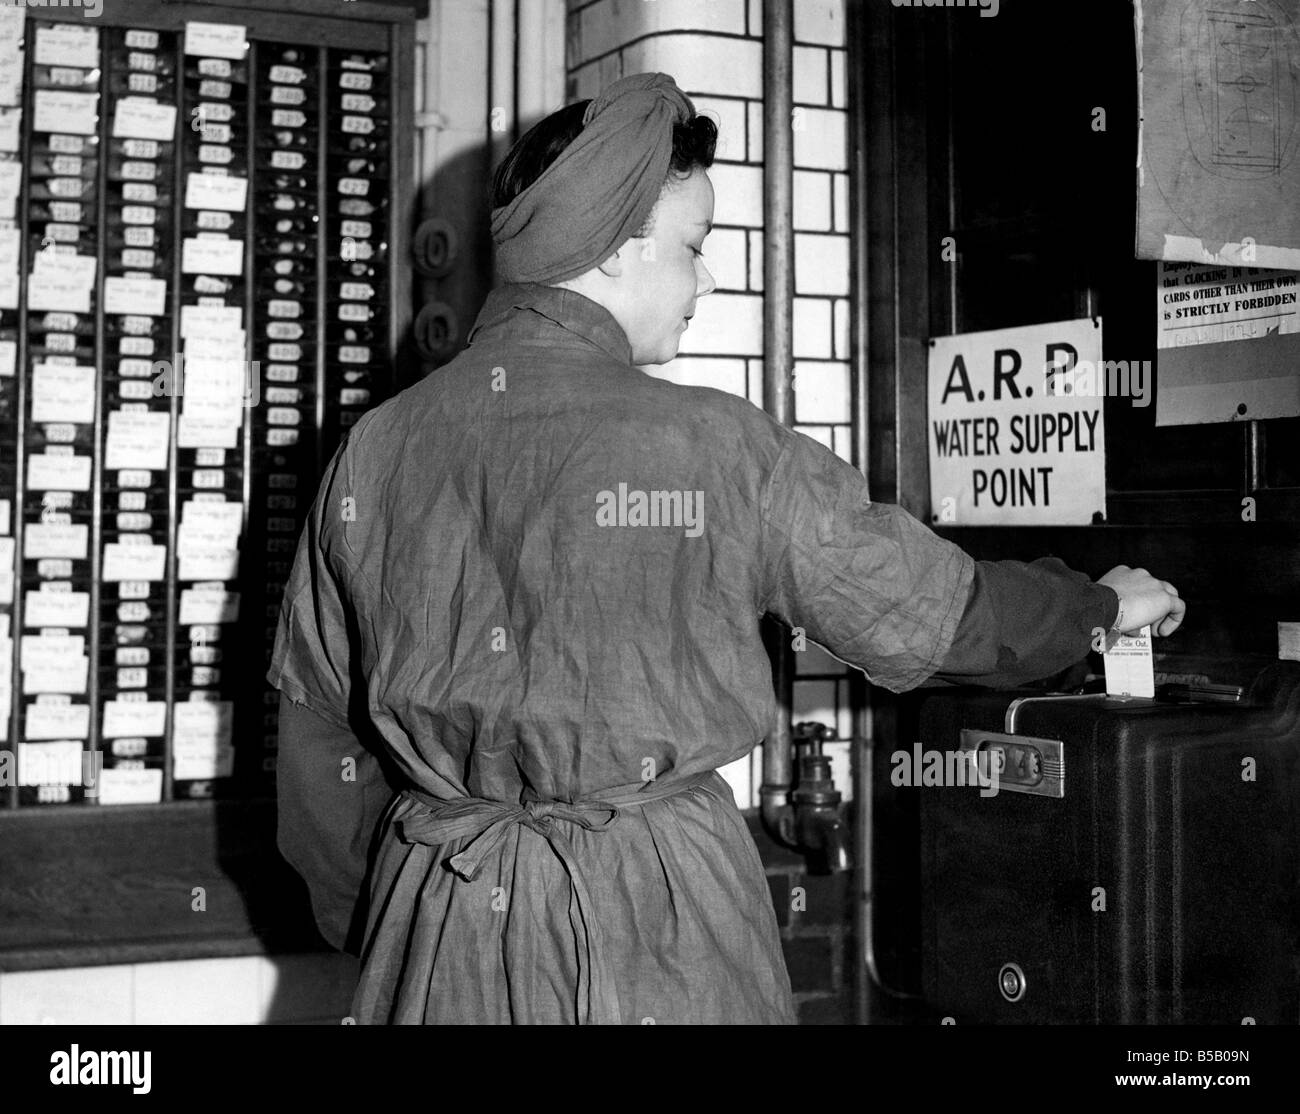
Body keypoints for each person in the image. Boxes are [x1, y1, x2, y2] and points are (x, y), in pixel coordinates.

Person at [268, 72, 1185, 1024]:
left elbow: (316, 754)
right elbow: (936, 616)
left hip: (436, 933)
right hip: (663, 929)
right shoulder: (715, 444)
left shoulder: (375, 447)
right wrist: (1099, 606)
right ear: (618, 250)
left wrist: (399, 921)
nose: (708, 279)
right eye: (694, 247)